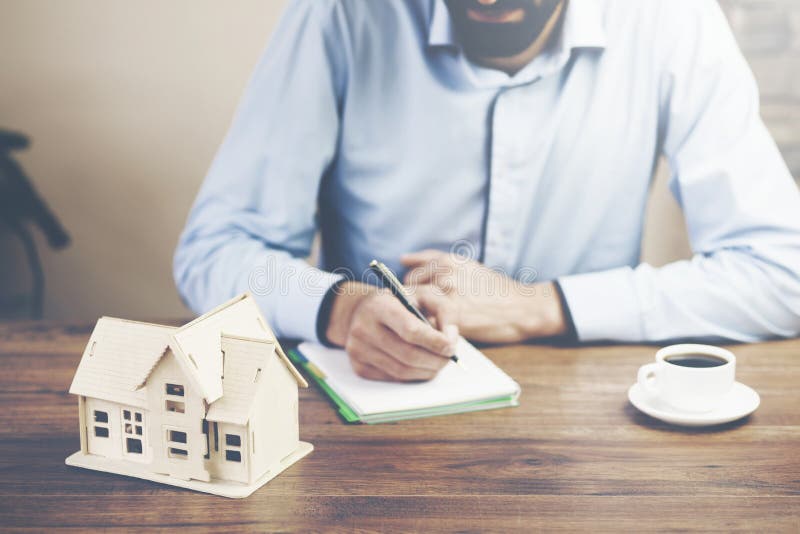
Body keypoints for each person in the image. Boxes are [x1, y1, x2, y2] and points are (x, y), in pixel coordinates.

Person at [175, 0, 800, 382]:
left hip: (593, 437)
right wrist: (342, 309)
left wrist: (536, 305)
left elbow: (783, 272)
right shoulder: (341, 11)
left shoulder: (671, 17)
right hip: (367, 414)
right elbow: (215, 251)